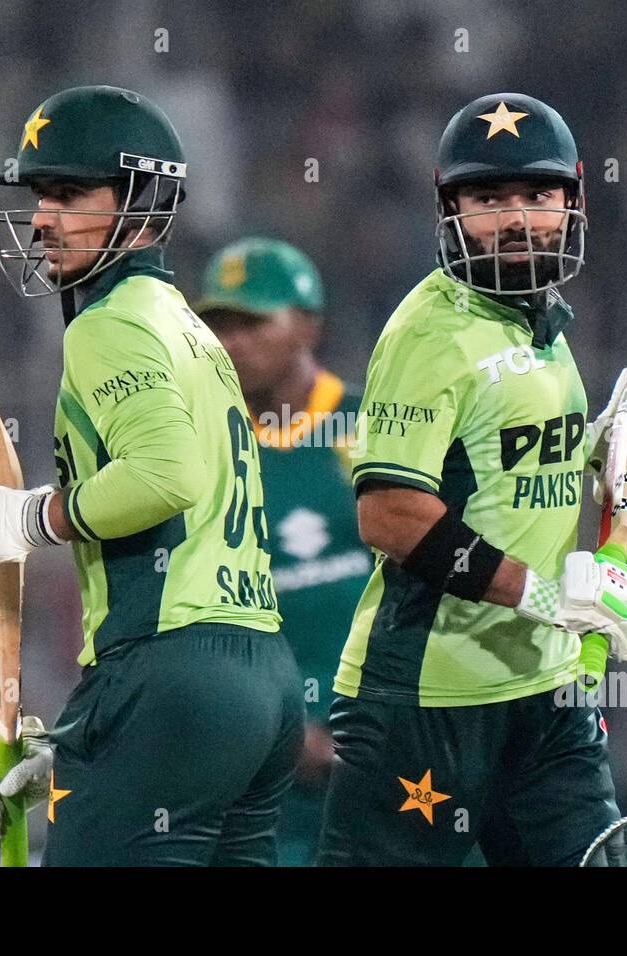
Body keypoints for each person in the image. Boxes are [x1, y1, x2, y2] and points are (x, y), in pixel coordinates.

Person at [315, 93, 627, 866]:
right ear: (449, 209)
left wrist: (610, 463)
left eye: (539, 195)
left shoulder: (543, 321)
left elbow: (507, 473)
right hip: (426, 701)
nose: (519, 217)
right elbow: (390, 515)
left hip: (548, 690)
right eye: (490, 198)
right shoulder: (431, 333)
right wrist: (543, 592)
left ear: (574, 201)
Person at [0, 86, 304, 865]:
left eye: (68, 194)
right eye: (40, 196)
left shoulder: (109, 323)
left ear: (139, 203)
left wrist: (26, 519)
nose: (41, 218)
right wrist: (73, 755)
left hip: (169, 668)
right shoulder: (190, 328)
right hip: (262, 684)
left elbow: (165, 476)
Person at [195, 237, 372, 865]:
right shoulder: (201, 452)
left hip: (390, 753)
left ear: (307, 325)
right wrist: (279, 734)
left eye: (252, 322)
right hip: (262, 772)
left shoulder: (371, 424)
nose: (232, 341)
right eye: (218, 324)